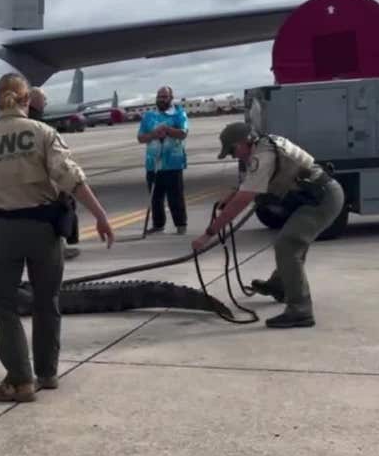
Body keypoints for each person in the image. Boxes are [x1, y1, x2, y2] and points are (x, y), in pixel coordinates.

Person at [0, 73, 114, 402]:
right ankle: (47, 374)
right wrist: (100, 216)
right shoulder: (44, 133)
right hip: (44, 230)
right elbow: (71, 178)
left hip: (4, 229)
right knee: (47, 301)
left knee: (4, 305)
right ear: (27, 101)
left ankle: (20, 380)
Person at [193, 122, 345, 329]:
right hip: (316, 196)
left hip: (321, 200)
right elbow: (253, 181)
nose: (234, 156)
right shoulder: (264, 144)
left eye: (233, 150)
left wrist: (208, 234)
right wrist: (233, 194)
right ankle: (280, 285)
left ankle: (300, 309)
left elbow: (244, 199)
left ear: (244, 142)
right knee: (292, 243)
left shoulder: (261, 156)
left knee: (288, 245)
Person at [27, 86, 83, 260]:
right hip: (42, 180)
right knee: (63, 207)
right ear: (35, 101)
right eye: (44, 99)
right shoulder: (39, 125)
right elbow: (57, 162)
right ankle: (62, 246)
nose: (46, 102)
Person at [136, 86, 190, 234]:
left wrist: (167, 130)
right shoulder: (149, 116)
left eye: (165, 97)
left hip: (173, 163)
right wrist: (153, 134)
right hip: (153, 163)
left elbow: (183, 133)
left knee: (175, 197)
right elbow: (141, 138)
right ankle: (158, 224)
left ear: (171, 98)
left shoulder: (179, 114)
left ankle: (181, 224)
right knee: (155, 197)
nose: (161, 99)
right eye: (159, 96)